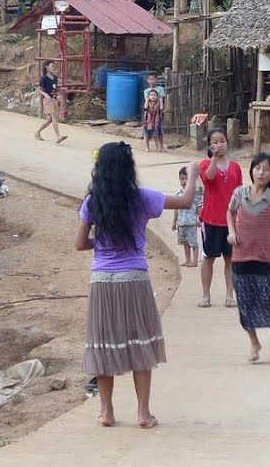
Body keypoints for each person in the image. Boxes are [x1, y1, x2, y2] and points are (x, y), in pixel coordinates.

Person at [75, 142, 201, 429]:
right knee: (140, 344)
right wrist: (193, 173)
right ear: (129, 168)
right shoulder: (142, 198)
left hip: (102, 281)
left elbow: (79, 243)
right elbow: (185, 202)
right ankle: (143, 413)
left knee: (103, 345)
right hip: (134, 277)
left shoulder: (92, 202)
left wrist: (104, 243)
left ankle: (106, 412)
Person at [227, 153, 270, 365]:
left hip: (264, 257)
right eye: (257, 168)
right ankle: (254, 341)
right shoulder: (239, 193)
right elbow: (229, 212)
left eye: (266, 169)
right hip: (240, 256)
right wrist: (231, 231)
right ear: (252, 170)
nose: (261, 173)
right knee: (245, 302)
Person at [198, 127, 243, 308]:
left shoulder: (236, 167)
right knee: (208, 258)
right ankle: (205, 295)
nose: (219, 145)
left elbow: (239, 192)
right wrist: (215, 159)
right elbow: (208, 178)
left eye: (222, 141)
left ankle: (229, 295)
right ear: (209, 145)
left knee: (230, 259)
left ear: (227, 142)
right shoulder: (204, 164)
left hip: (231, 221)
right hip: (210, 220)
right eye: (214, 142)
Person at [172, 166, 203, 267]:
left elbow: (199, 206)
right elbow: (176, 209)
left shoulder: (195, 193)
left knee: (193, 243)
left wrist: (200, 219)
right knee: (185, 242)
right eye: (181, 179)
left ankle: (194, 261)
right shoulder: (178, 194)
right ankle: (188, 260)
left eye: (186, 179)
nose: (184, 181)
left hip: (191, 222)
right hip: (181, 223)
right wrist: (174, 222)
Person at [35, 61, 68, 143]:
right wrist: (45, 94)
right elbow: (39, 89)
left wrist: (60, 92)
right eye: (52, 66)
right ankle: (58, 136)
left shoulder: (55, 78)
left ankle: (37, 132)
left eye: (54, 66)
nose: (53, 68)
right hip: (47, 100)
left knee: (50, 120)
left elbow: (55, 89)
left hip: (54, 100)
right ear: (46, 67)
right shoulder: (44, 78)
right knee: (53, 116)